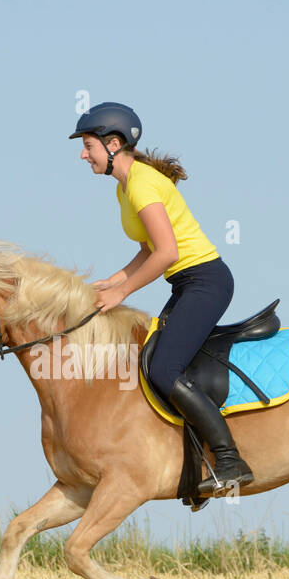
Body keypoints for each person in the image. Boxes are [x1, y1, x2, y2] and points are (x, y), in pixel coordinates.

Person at [70, 101, 253, 495]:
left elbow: (166, 252)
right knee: (152, 360)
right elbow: (146, 249)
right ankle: (191, 462)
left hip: (206, 281)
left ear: (114, 143)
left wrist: (123, 292)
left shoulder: (142, 184)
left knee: (163, 370)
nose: (83, 155)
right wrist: (111, 281)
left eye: (88, 145)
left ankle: (229, 459)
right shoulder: (124, 189)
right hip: (186, 284)